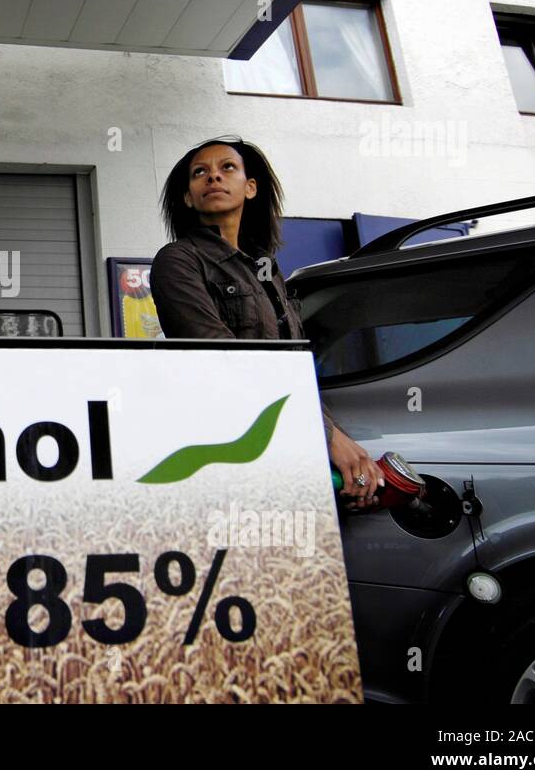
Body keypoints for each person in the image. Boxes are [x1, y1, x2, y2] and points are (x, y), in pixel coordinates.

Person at [150, 135, 385, 508]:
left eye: (227, 168)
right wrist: (325, 436)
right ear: (187, 197)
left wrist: (334, 436)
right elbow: (222, 357)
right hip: (227, 444)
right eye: (200, 173)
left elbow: (292, 367)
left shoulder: (266, 271)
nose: (213, 177)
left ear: (251, 187)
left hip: (286, 439)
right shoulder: (178, 260)